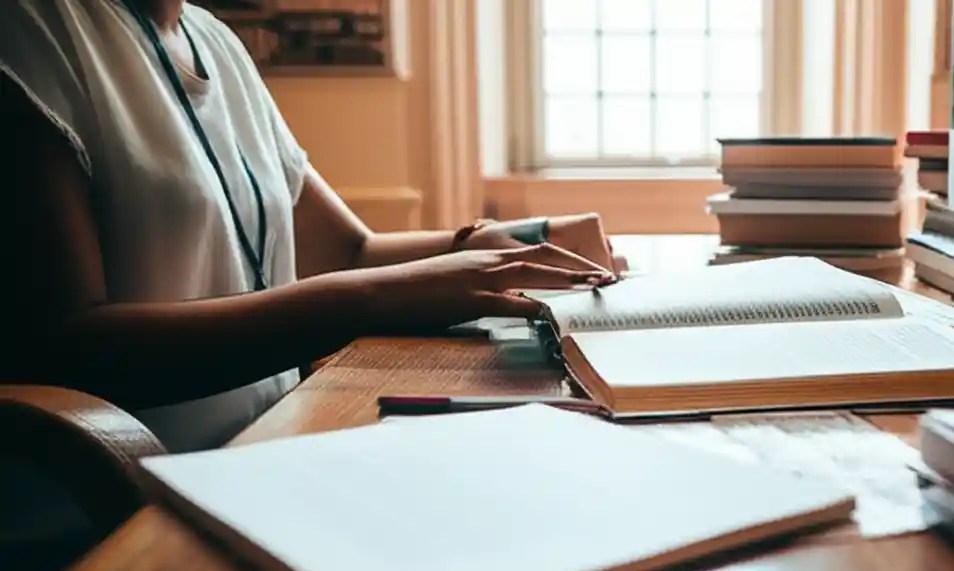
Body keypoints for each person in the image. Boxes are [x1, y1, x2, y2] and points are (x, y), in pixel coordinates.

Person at [0, 0, 619, 452]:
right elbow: (63, 347)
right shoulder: (28, 30)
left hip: (273, 447)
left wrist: (521, 240)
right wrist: (381, 300)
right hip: (118, 499)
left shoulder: (213, 40)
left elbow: (346, 250)